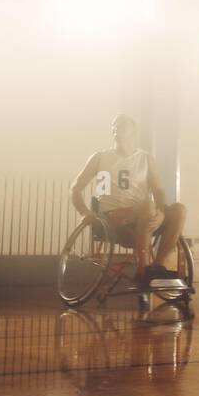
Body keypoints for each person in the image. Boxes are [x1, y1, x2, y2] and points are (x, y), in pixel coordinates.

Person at [70, 114, 187, 285]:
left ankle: (156, 267)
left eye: (124, 124)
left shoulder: (145, 158)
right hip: (112, 216)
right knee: (147, 205)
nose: (119, 125)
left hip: (144, 215)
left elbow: (158, 190)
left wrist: (161, 212)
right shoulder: (101, 157)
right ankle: (142, 270)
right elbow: (75, 188)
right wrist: (84, 212)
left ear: (134, 131)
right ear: (112, 131)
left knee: (179, 210)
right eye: (116, 124)